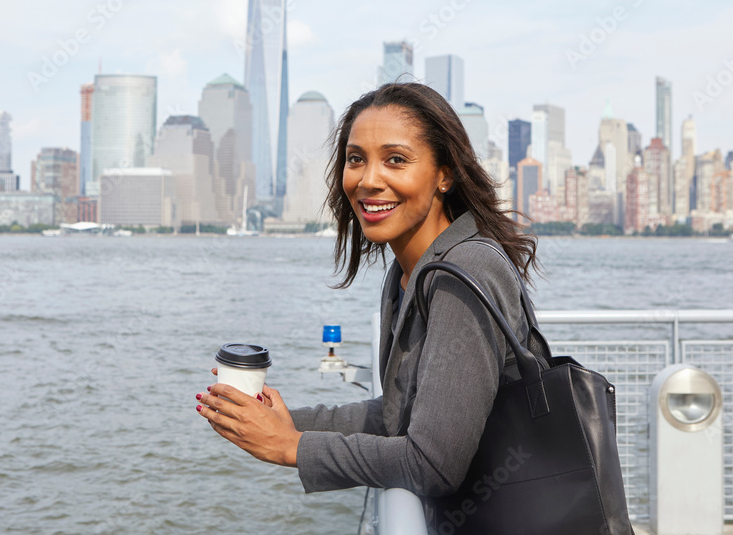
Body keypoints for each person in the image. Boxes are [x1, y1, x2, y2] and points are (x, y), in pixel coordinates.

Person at [195, 82, 539, 529]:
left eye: (395, 159)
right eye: (356, 159)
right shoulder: (406, 275)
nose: (368, 179)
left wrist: (290, 447)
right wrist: (280, 422)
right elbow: (397, 413)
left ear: (445, 174)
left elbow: (432, 464)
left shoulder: (465, 270)